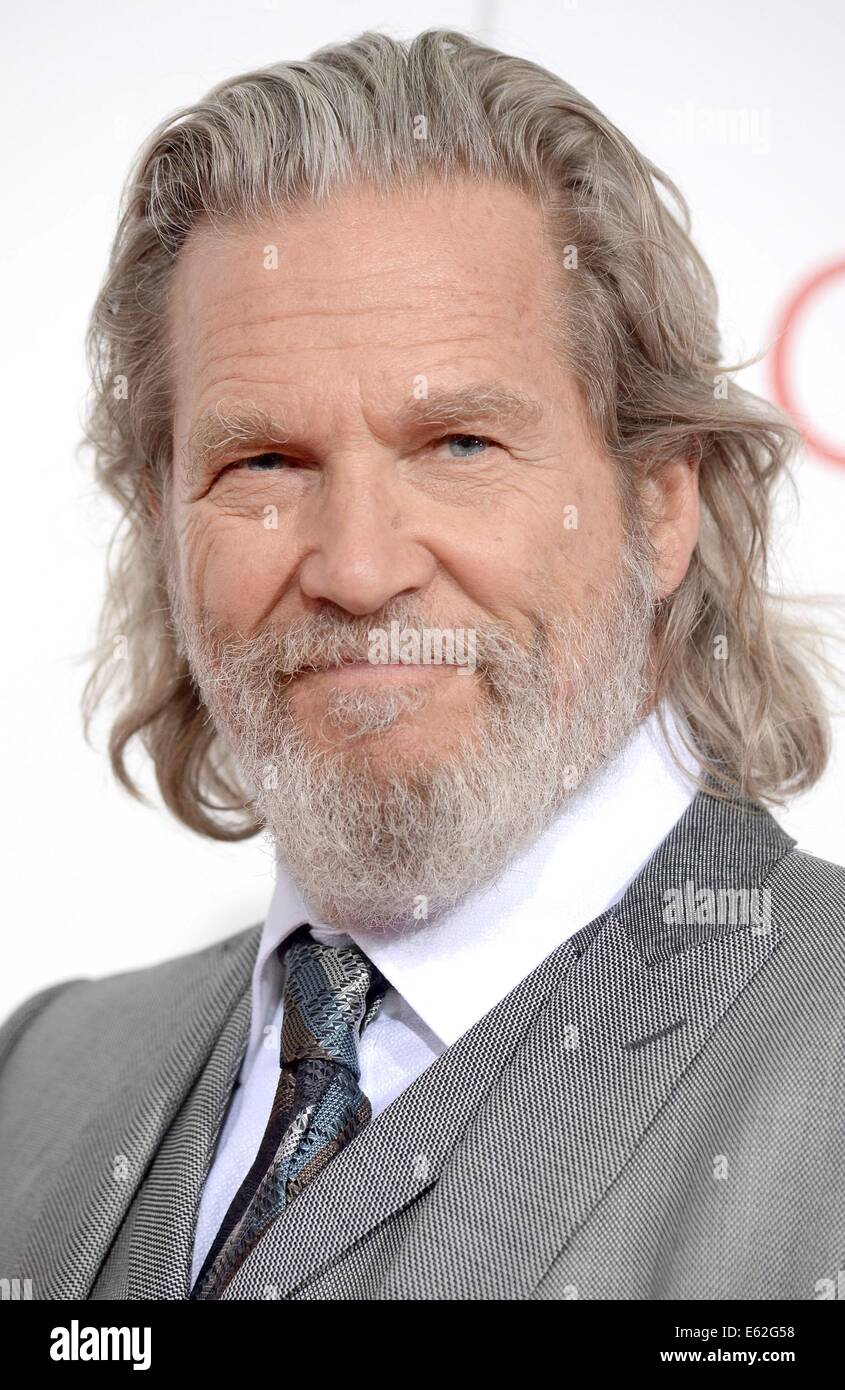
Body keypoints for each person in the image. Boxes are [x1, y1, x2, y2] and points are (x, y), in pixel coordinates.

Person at [1, 27, 842, 1302]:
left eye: (456, 444)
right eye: (262, 463)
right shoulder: (42, 1074)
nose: (356, 565)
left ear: (661, 502)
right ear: (162, 526)